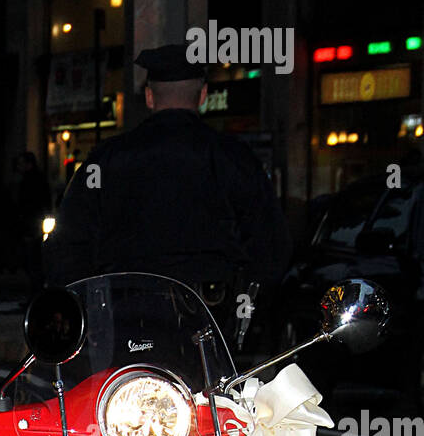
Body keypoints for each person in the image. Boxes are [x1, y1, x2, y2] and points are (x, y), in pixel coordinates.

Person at [44, 43, 292, 342]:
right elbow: (272, 245)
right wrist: (246, 312)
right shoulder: (235, 159)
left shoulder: (105, 160)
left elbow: (67, 245)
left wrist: (88, 311)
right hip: (210, 318)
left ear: (149, 96)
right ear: (202, 95)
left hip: (124, 319)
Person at [15, 151, 53, 296]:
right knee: (33, 261)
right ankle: (36, 292)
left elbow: (28, 205)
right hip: (34, 223)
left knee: (32, 262)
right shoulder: (37, 179)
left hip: (31, 224)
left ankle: (36, 293)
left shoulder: (30, 181)